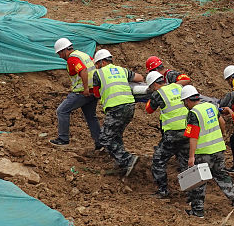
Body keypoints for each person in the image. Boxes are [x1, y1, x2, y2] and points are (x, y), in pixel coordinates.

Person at [180, 84, 234, 219]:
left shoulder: (193, 113)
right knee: (221, 175)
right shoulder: (210, 106)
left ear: (187, 100)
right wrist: (222, 134)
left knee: (199, 181)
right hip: (218, 149)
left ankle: (197, 211)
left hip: (203, 152)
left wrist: (191, 156)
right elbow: (222, 122)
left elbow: (193, 136)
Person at [49, 37, 102, 151]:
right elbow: (96, 66)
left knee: (62, 111)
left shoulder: (72, 59)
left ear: (64, 50)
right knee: (90, 117)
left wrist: (86, 88)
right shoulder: (83, 55)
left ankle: (63, 139)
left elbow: (83, 71)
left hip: (82, 92)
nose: (59, 56)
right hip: (94, 92)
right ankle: (99, 142)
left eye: (59, 53)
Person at [92, 49, 139, 177]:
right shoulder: (122, 70)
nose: (96, 67)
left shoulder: (98, 74)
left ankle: (127, 159)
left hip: (115, 107)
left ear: (102, 62)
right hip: (130, 106)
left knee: (105, 138)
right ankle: (122, 163)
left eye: (97, 64)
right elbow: (139, 77)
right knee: (116, 134)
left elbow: (96, 93)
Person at [143, 70, 186, 198]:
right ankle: (192, 194)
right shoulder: (178, 87)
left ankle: (163, 190)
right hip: (189, 131)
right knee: (186, 162)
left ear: (154, 85)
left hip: (173, 133)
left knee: (158, 159)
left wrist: (151, 97)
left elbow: (149, 109)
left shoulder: (158, 94)